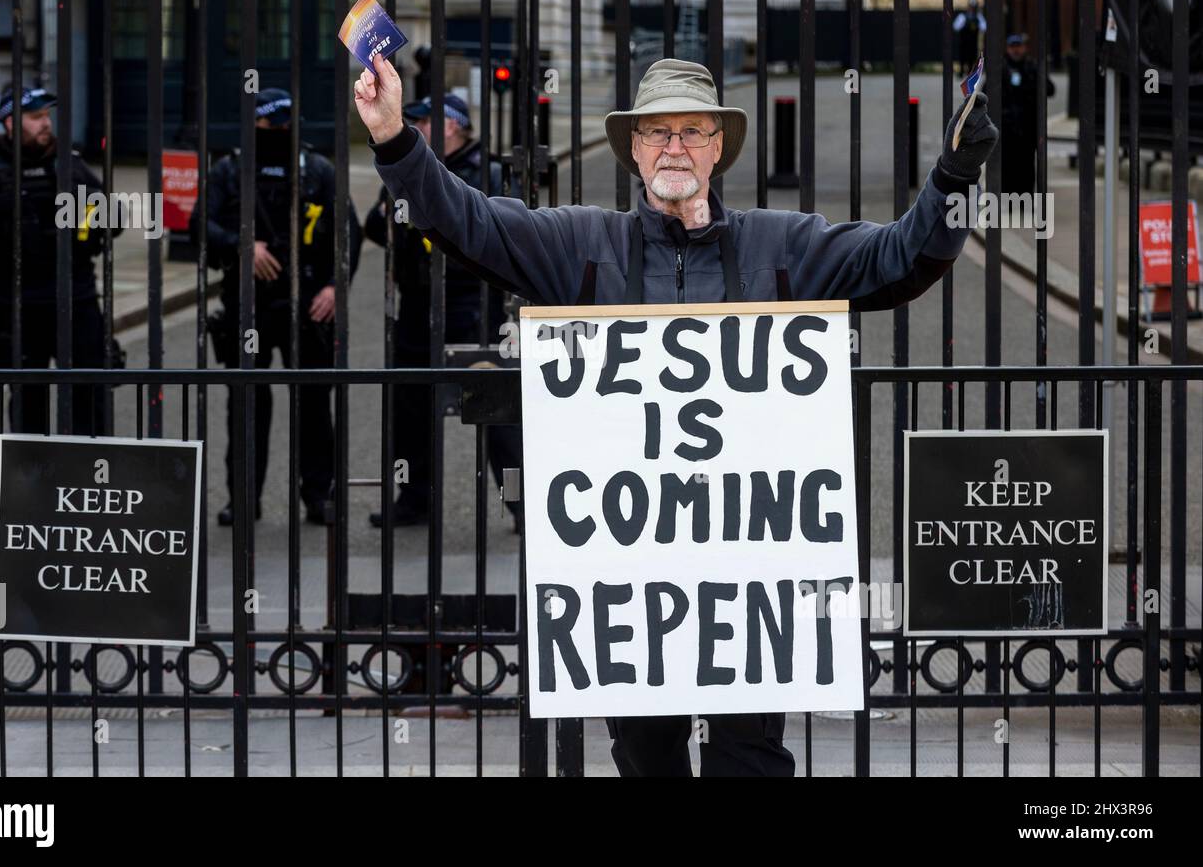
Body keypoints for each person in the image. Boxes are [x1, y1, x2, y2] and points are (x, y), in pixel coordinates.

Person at [353, 55, 997, 776]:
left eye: (693, 130)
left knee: (749, 759)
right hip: (630, 585)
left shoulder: (780, 246)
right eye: (657, 131)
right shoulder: (579, 245)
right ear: (632, 148)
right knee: (647, 755)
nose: (675, 146)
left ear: (719, 146)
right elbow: (465, 221)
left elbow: (899, 259)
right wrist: (394, 138)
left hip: (750, 581)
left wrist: (952, 175)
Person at [193, 88, 362, 526]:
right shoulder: (230, 171)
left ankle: (318, 497)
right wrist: (242, 245)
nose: (285, 130)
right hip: (247, 303)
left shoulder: (317, 171)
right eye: (276, 123)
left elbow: (350, 232)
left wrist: (334, 288)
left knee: (312, 403)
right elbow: (198, 225)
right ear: (257, 125)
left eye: (289, 122)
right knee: (248, 402)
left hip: (308, 304)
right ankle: (244, 498)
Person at [363, 93, 523, 528]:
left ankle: (523, 506)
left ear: (451, 124)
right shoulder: (410, 169)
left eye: (424, 120)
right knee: (411, 410)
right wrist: (388, 213)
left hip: (471, 306)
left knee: (494, 414)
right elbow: (374, 226)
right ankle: (415, 500)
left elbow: (514, 233)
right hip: (417, 305)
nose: (418, 128)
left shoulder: (489, 172)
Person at [0, 84, 115, 435]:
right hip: (18, 306)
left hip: (76, 301)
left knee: (89, 402)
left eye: (47, 116)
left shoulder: (70, 165)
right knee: (27, 408)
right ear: (9, 122)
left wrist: (95, 214)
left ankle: (90, 479)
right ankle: (30, 485)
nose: (46, 124)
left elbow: (114, 223)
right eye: (36, 117)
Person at [1000, 33, 1056, 195]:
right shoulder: (1002, 69)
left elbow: (1050, 89)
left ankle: (1026, 199)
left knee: (1026, 166)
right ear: (1007, 49)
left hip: (1028, 127)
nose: (1016, 51)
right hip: (1007, 128)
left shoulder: (1032, 67)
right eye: (1012, 47)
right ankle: (1008, 200)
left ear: (1024, 48)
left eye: (1018, 47)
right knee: (1008, 166)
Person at [953, 0, 986, 73]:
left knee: (972, 56)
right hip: (964, 41)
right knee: (962, 56)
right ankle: (961, 70)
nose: (972, 9)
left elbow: (984, 27)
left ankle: (970, 71)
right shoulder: (963, 16)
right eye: (971, 7)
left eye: (974, 7)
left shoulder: (978, 17)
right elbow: (956, 27)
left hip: (973, 41)